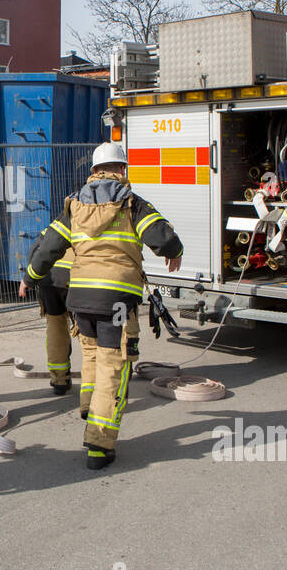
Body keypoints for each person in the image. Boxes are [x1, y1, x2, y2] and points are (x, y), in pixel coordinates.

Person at [19, 142, 183, 469]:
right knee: (114, 362)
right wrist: (174, 251)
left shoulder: (73, 207)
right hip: (117, 300)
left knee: (91, 352)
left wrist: (31, 277)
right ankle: (99, 441)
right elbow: (163, 238)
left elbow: (48, 247)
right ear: (122, 170)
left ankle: (87, 406)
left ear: (93, 171)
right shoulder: (132, 204)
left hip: (80, 298)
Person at [25, 235, 75, 395]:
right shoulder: (89, 224)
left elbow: (35, 250)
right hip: (76, 279)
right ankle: (97, 382)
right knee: (87, 333)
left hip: (48, 279)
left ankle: (59, 381)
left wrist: (31, 277)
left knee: (55, 329)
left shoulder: (55, 226)